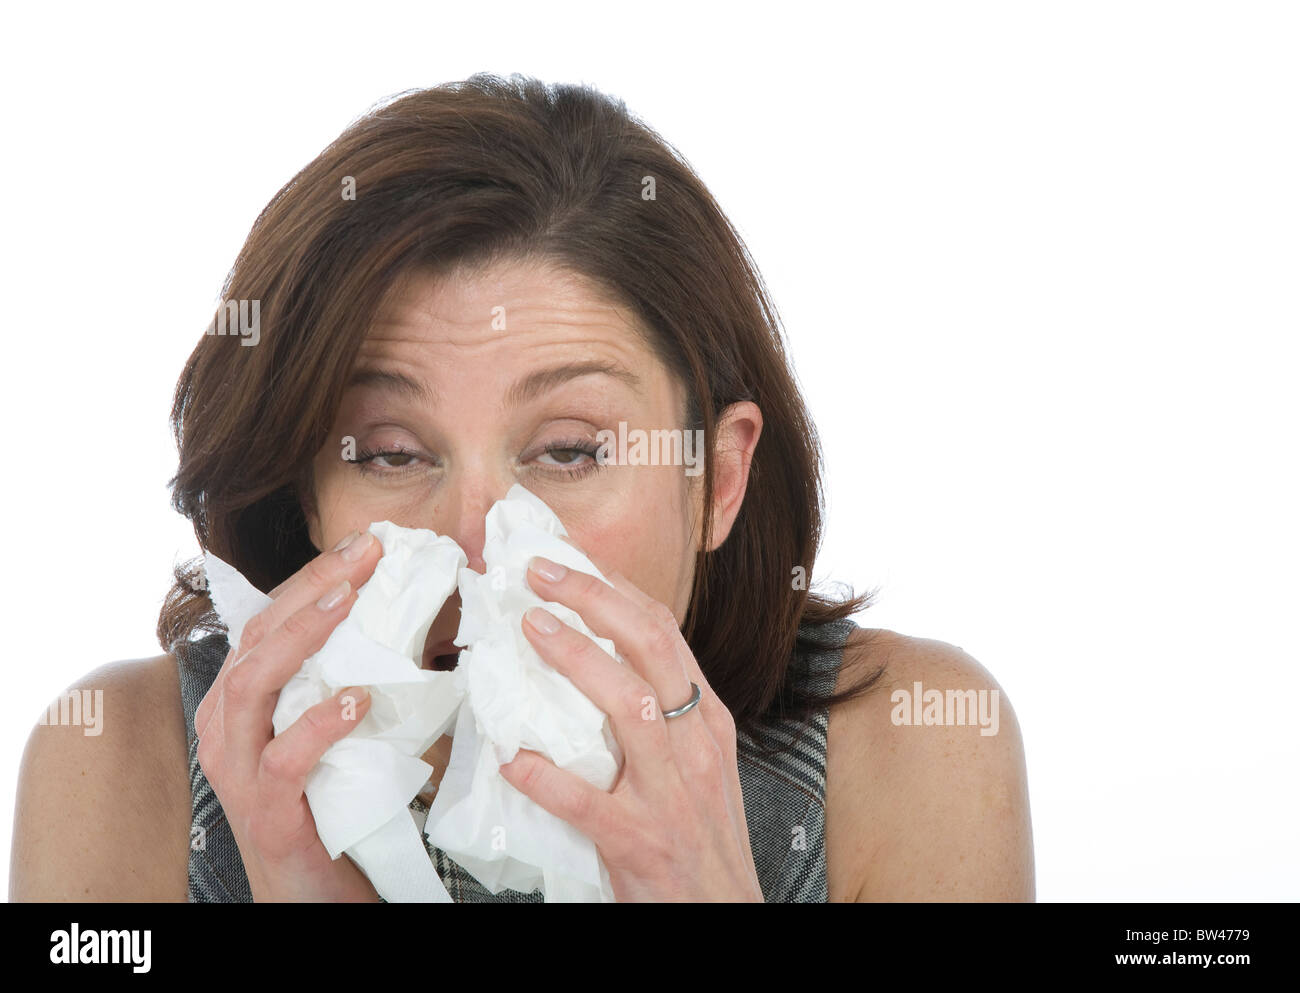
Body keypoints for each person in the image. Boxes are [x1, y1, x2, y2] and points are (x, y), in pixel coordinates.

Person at [10, 74, 1033, 902]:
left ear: (716, 480)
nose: (477, 544)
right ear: (306, 497)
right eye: (391, 454)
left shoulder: (907, 754)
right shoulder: (122, 770)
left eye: (570, 451)